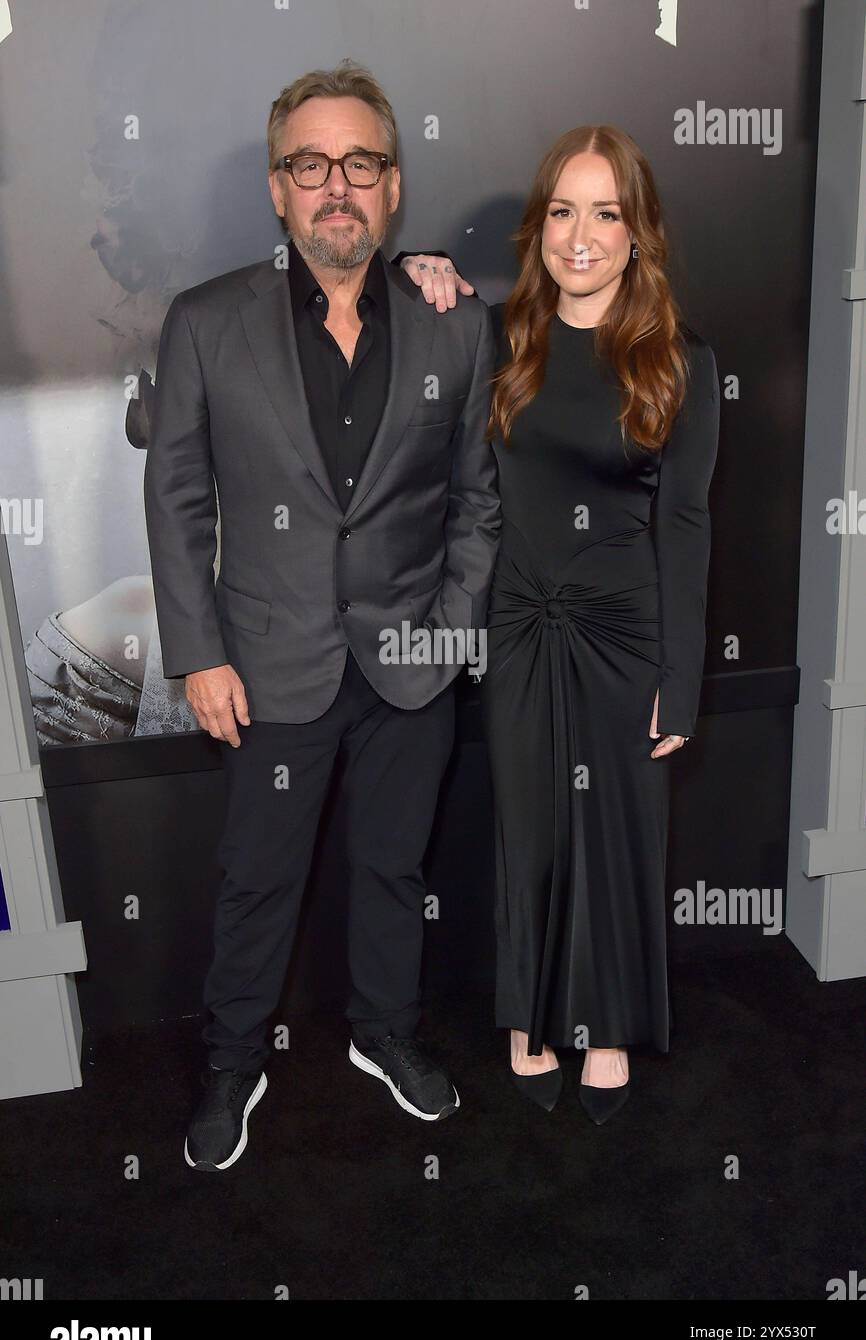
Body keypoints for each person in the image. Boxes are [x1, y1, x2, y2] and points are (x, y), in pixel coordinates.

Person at [143, 61, 500, 1170]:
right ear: (275, 186)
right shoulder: (206, 324)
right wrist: (197, 652)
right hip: (265, 662)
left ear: (392, 187)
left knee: (395, 867)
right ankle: (232, 1061)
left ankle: (384, 1033)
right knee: (258, 879)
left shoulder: (453, 323)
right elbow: (176, 496)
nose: (334, 185)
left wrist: (449, 627)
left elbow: (477, 496)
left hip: (410, 662)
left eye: (359, 163)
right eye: (310, 165)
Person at [399, 124, 720, 1121]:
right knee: (529, 827)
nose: (580, 235)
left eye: (606, 213)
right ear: (538, 225)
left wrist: (680, 672)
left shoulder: (679, 359)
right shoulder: (499, 338)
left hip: (626, 638)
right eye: (563, 212)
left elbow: (686, 522)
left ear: (637, 232)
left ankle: (609, 1025)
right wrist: (422, 270)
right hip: (519, 626)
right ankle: (529, 1016)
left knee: (618, 833)